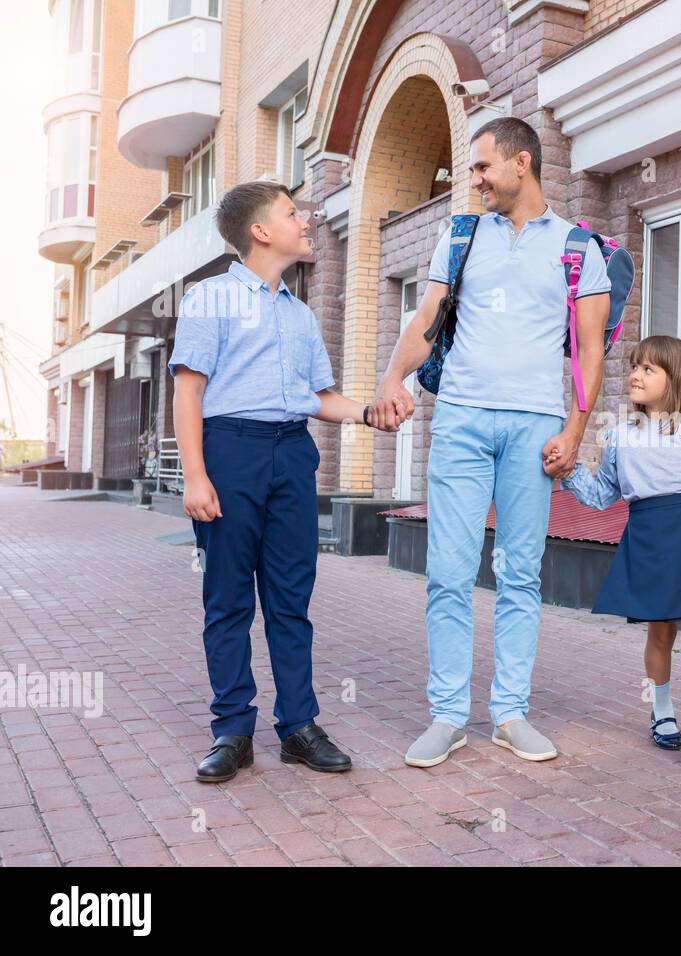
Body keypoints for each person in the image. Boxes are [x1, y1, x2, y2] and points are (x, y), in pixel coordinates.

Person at [370, 117, 612, 767]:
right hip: (461, 422)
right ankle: (447, 715)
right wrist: (393, 377)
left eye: (481, 167)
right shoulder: (459, 235)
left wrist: (574, 430)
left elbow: (591, 351)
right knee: (448, 573)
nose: (472, 180)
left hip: (535, 428)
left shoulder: (576, 248)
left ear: (521, 164)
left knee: (518, 575)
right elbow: (427, 319)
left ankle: (510, 714)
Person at [169, 181, 403, 783]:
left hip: (291, 455)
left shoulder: (299, 314)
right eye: (293, 213)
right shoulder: (210, 298)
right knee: (227, 599)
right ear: (260, 231)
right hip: (230, 452)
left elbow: (317, 397)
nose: (306, 220)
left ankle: (298, 725)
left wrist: (368, 413)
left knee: (290, 600)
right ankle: (231, 730)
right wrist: (195, 476)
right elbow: (188, 390)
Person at [557, 335, 681, 777]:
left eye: (648, 369)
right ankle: (661, 712)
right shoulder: (620, 436)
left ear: (674, 378)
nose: (635, 375)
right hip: (646, 540)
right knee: (659, 635)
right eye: (635, 367)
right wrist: (566, 471)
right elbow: (602, 494)